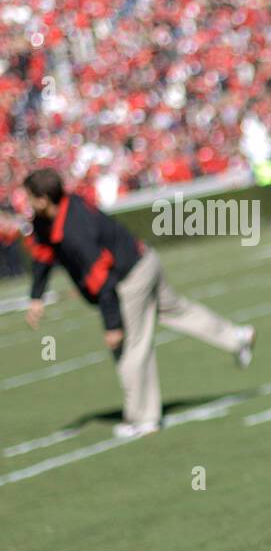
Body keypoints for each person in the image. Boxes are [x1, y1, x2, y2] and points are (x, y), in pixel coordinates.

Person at [20, 169, 255, 439]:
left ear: (43, 199)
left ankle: (144, 417)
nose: (26, 202)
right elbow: (43, 254)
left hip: (131, 276)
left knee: (131, 346)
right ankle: (237, 337)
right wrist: (36, 297)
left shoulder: (75, 229)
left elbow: (103, 278)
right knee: (178, 311)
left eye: (29, 197)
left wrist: (112, 326)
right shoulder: (49, 216)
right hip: (144, 259)